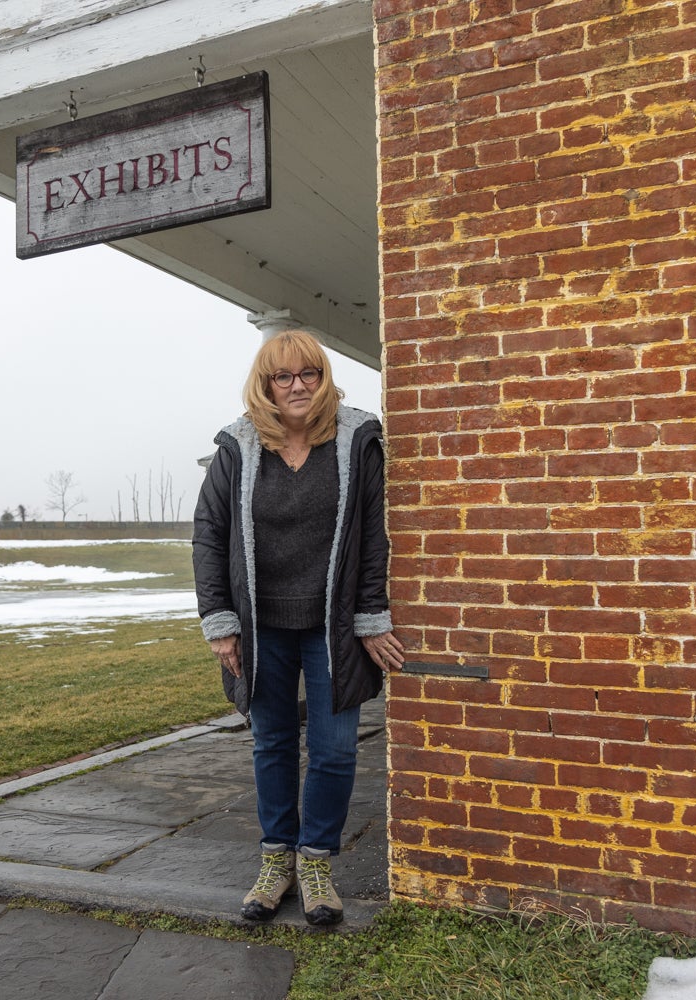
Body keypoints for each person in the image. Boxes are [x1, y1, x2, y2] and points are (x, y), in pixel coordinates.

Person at [192, 329, 405, 926]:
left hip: (330, 626)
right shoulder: (237, 448)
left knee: (335, 750)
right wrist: (220, 622)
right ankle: (276, 859)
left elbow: (373, 535)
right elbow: (209, 535)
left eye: (308, 374)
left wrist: (369, 618)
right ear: (265, 386)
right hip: (261, 629)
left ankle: (315, 863)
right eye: (282, 377)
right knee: (274, 744)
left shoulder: (357, 440)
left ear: (323, 378)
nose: (296, 387)